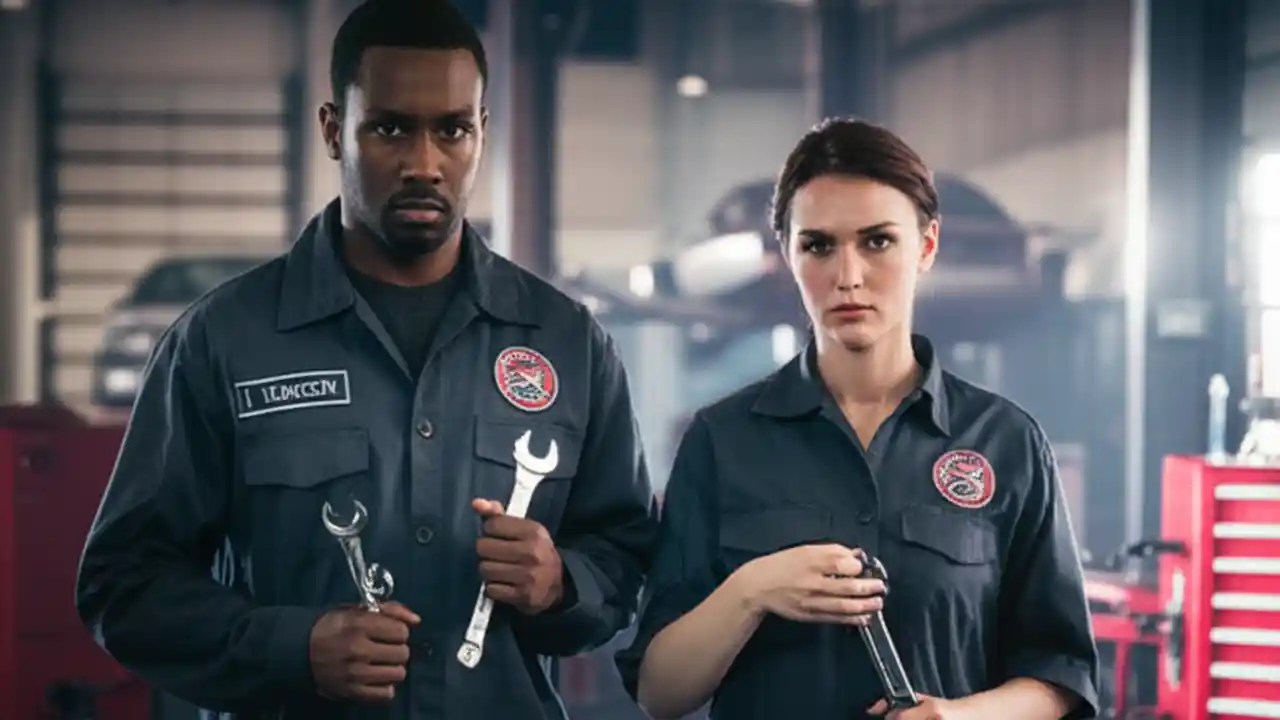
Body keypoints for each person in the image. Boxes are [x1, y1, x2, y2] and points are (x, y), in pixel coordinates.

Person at [75, 2, 657, 718]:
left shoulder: (568, 342)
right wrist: (290, 647)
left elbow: (628, 557)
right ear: (332, 130)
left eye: (452, 130)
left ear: (482, 132)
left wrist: (561, 584)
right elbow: (123, 584)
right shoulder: (221, 341)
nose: (424, 164)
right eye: (390, 129)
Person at [615, 117, 1099, 720]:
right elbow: (660, 693)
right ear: (788, 255)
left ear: (926, 246)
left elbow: (1061, 676)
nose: (847, 277)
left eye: (877, 242)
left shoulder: (1006, 443)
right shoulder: (722, 441)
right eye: (818, 245)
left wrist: (959, 717)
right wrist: (751, 591)